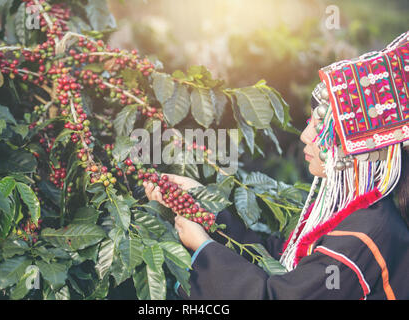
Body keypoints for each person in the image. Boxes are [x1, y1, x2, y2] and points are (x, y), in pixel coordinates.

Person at [144, 31, 409, 300]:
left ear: (356, 151)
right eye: (310, 123)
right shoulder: (356, 212)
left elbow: (277, 295)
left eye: (320, 130)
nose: (305, 136)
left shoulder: (364, 236)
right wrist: (203, 205)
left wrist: (203, 249)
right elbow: (282, 261)